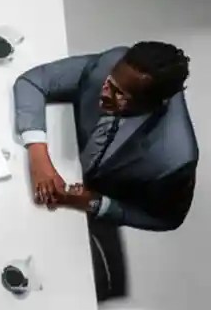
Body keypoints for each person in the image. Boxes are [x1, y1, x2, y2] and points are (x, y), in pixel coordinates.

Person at [15, 41, 196, 232]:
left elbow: (167, 219)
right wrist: (38, 156)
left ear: (156, 104)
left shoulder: (174, 158)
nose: (105, 93)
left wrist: (96, 203)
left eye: (121, 96)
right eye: (110, 82)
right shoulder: (112, 63)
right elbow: (33, 81)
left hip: (91, 208)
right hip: (69, 149)